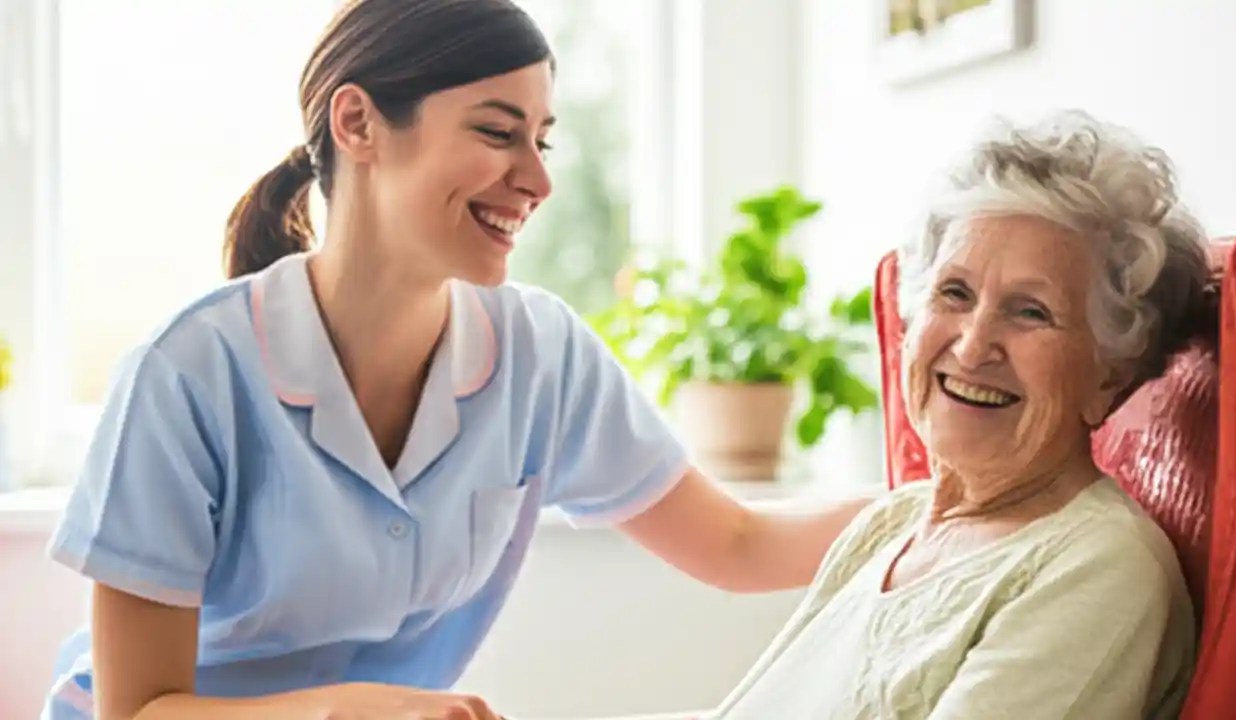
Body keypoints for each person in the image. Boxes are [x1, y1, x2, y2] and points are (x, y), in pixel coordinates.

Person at [39, 2, 867, 718]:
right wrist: (347, 709)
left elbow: (736, 543)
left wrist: (926, 509)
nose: (537, 180)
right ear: (357, 123)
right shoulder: (188, 374)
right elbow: (137, 710)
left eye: (542, 141)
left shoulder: (541, 355)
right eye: (498, 132)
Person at [702, 111, 1211, 719]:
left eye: (1031, 312)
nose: (972, 348)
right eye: (955, 293)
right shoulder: (891, 524)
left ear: (1110, 376)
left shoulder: (1099, 569)